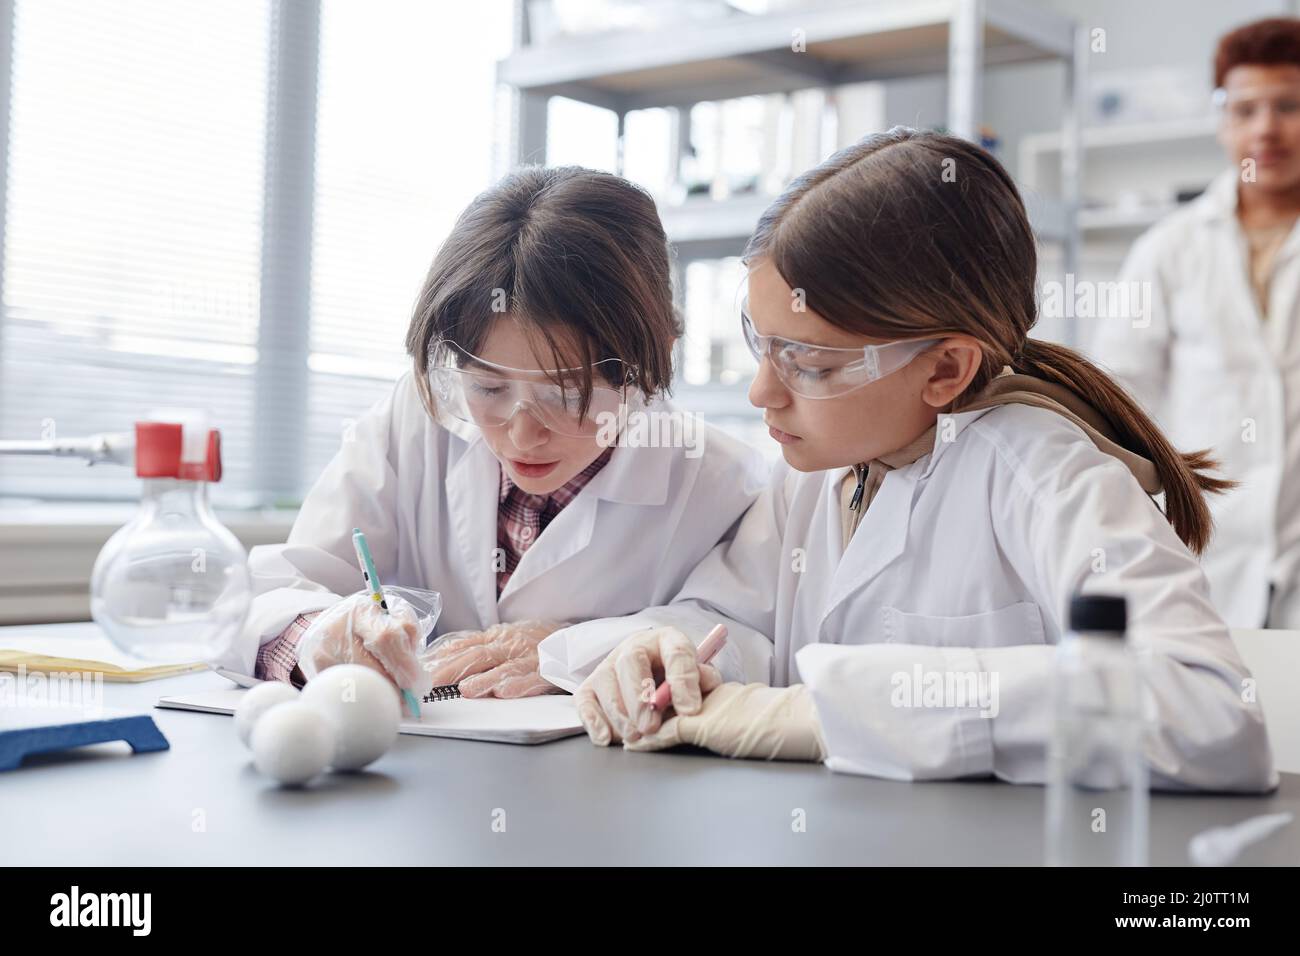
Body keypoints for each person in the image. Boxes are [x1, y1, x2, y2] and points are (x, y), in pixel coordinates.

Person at [540, 128, 1278, 792]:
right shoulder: (826, 466)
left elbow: (1209, 711)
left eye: (809, 363)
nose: (764, 390)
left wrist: (836, 712)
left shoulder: (1045, 473)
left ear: (946, 369)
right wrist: (662, 652)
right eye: (761, 344)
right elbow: (738, 620)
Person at [226, 166, 767, 697]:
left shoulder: (720, 483)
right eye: (488, 389)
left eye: (564, 396)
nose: (522, 435)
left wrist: (575, 648)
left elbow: (743, 639)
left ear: (649, 366)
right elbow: (277, 590)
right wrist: (321, 636)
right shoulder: (415, 422)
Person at [1091, 17, 1300, 628]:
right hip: (1205, 548)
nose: (1267, 127)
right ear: (1223, 121)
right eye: (1247, 109)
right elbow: (1120, 400)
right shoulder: (1169, 249)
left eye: (1288, 105)